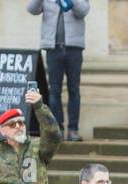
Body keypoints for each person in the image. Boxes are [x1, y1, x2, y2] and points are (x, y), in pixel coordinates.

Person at [27, 0, 90, 139]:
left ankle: (73, 130)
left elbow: (83, 11)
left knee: (74, 89)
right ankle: (58, 129)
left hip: (74, 48)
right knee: (54, 91)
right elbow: (32, 9)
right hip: (53, 49)